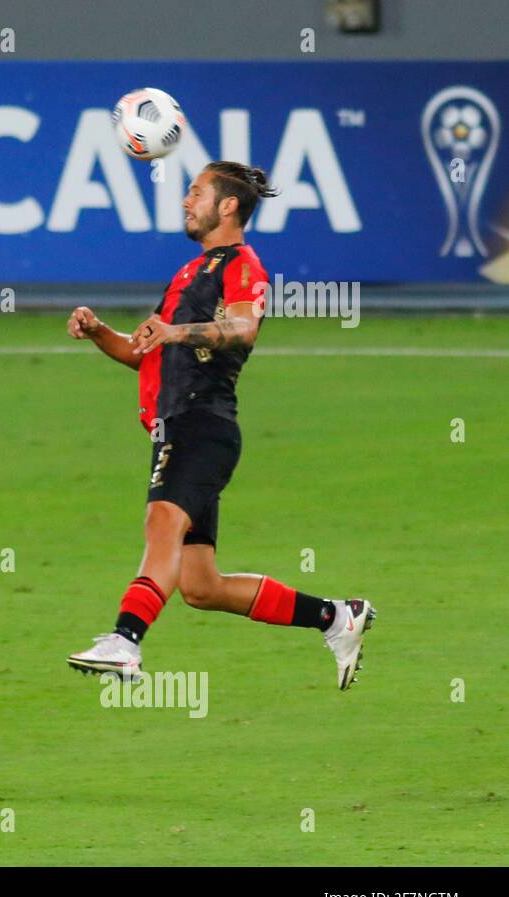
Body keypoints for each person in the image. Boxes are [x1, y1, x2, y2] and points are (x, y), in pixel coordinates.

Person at [65, 162, 375, 690]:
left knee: (161, 525)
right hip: (176, 426)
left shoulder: (242, 265)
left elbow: (242, 328)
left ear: (227, 205)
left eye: (196, 192)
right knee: (201, 585)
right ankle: (335, 617)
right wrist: (99, 332)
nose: (186, 201)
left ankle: (125, 640)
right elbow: (145, 352)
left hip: (200, 424)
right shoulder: (190, 273)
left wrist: (175, 330)